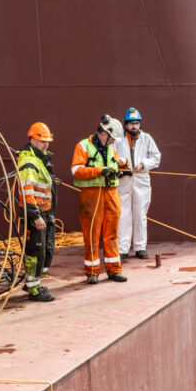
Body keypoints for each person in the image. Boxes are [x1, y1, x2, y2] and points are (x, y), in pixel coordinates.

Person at [72, 115, 129, 283]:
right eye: (112, 139)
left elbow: (117, 161)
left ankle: (114, 270)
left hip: (111, 193)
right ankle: (92, 272)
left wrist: (122, 163)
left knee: (112, 234)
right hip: (92, 195)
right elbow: (76, 171)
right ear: (105, 134)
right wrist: (99, 171)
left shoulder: (110, 148)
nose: (113, 142)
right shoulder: (83, 146)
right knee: (92, 234)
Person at [15, 122, 57, 301]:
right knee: (35, 252)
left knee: (47, 249)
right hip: (35, 215)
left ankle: (36, 280)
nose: (45, 145)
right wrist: (36, 216)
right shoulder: (29, 162)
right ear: (31, 139)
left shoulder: (41, 159)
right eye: (42, 141)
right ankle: (33, 287)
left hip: (45, 212)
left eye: (47, 141)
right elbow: (27, 191)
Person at [114, 107, 161, 259]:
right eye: (131, 124)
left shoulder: (147, 138)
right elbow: (111, 157)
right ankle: (123, 249)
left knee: (140, 214)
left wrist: (143, 164)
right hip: (123, 181)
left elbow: (156, 157)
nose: (134, 127)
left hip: (141, 181)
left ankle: (140, 247)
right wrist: (119, 167)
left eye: (136, 123)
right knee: (123, 215)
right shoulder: (118, 139)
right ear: (125, 124)